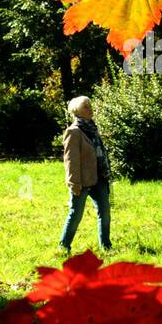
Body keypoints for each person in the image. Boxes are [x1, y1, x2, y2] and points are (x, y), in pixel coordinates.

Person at [59, 95, 112, 252]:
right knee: (75, 215)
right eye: (86, 107)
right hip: (81, 181)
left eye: (90, 106)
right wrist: (73, 182)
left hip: (99, 178)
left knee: (105, 212)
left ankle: (106, 246)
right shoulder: (73, 132)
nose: (90, 109)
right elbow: (70, 160)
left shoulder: (92, 129)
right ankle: (63, 246)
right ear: (77, 111)